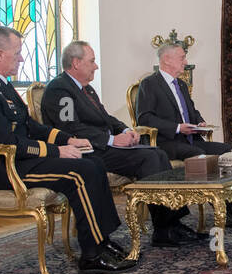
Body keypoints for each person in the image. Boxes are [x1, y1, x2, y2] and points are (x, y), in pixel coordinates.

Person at [0, 26, 135, 274]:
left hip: (21, 160)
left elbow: (30, 125)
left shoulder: (1, 85)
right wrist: (56, 152)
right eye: (17, 53)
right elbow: (6, 142)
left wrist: (66, 140)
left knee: (94, 163)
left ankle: (102, 240)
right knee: (79, 173)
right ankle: (92, 255)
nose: (21, 58)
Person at [41, 40, 197, 247]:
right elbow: (71, 129)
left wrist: (125, 131)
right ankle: (165, 228)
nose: (96, 66)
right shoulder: (60, 90)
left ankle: (171, 224)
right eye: (92, 61)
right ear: (76, 63)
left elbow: (106, 118)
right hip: (88, 151)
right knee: (149, 157)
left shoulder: (86, 89)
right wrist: (113, 139)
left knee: (156, 153)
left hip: (104, 147)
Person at [136, 41, 232, 225]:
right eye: (182, 57)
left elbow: (191, 111)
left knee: (227, 150)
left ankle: (227, 206)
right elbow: (145, 118)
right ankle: (213, 207)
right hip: (168, 142)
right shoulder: (149, 84)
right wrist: (177, 127)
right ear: (167, 59)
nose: (185, 61)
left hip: (191, 139)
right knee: (199, 155)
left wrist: (200, 122)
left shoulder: (181, 85)